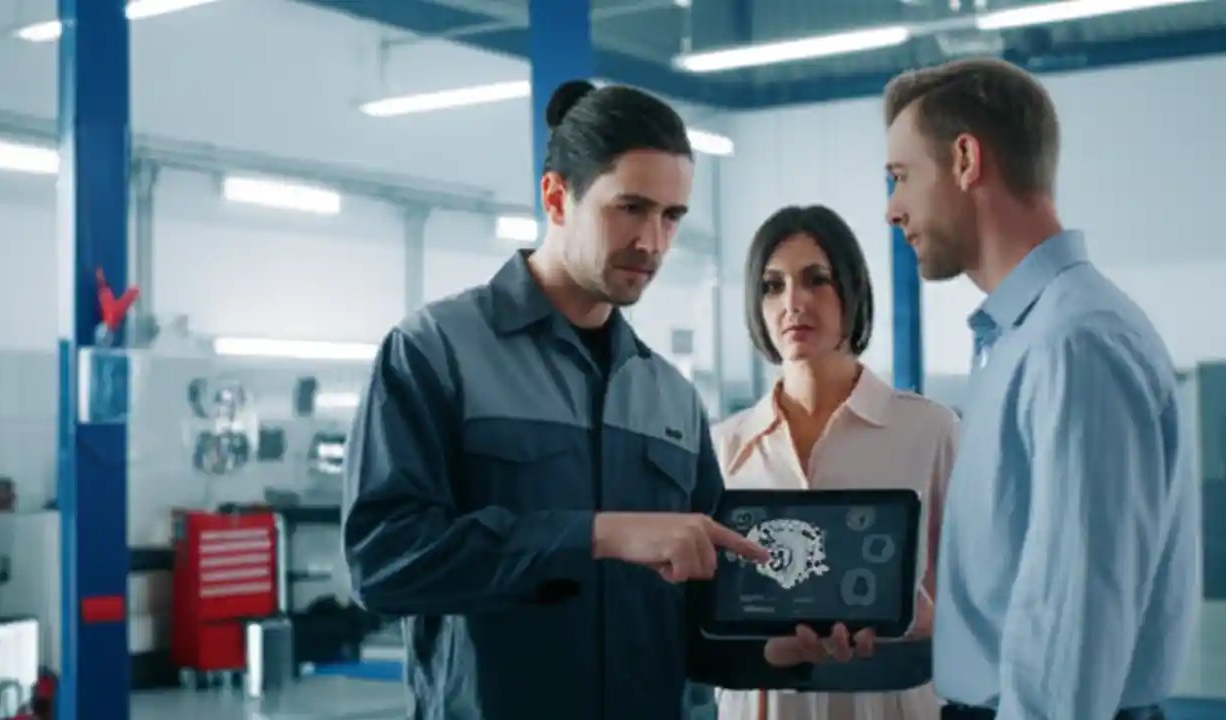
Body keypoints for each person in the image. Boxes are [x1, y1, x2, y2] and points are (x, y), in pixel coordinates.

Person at [342, 79, 808, 720]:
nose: (654, 242)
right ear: (557, 197)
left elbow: (694, 626)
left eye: (671, 216)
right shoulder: (436, 352)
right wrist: (598, 535)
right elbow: (384, 562)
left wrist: (778, 648)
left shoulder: (669, 396)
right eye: (631, 208)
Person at [882, 57, 1200, 719]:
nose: (893, 210)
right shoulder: (1022, 338)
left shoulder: (1073, 343)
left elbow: (1071, 627)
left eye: (901, 177)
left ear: (966, 159)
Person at [711, 205, 958, 720]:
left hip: (887, 702)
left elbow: (976, 596)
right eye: (772, 286)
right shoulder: (722, 446)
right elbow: (703, 619)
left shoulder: (929, 431)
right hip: (763, 704)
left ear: (852, 290)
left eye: (816, 280)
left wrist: (923, 620)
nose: (793, 302)